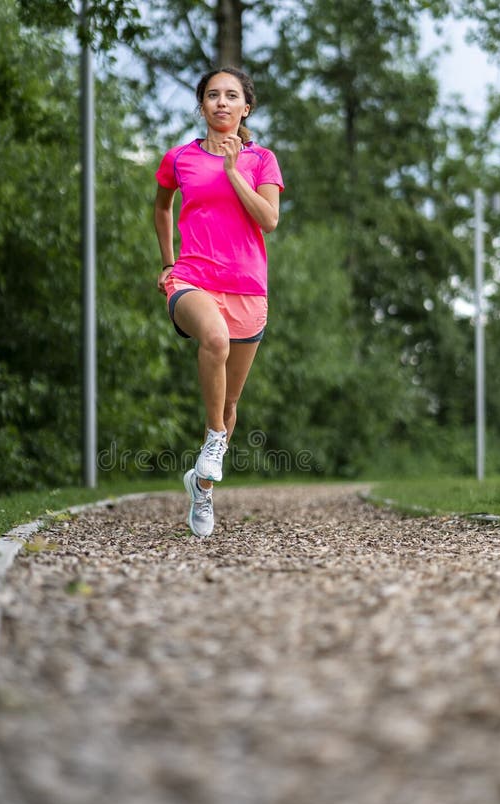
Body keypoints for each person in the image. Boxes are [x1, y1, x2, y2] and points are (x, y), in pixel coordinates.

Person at [154, 67, 284, 538]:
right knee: (212, 338)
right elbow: (162, 204)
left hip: (248, 288)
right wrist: (168, 261)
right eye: (213, 95)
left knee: (230, 406)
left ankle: (202, 486)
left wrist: (233, 172)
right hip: (192, 279)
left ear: (245, 107)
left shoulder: (262, 160)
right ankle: (213, 442)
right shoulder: (180, 158)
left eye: (231, 96)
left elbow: (269, 219)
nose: (222, 103)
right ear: (203, 104)